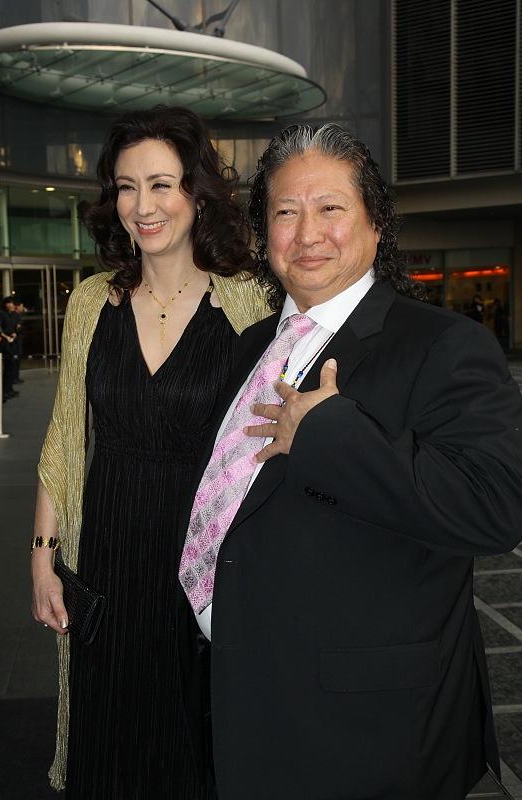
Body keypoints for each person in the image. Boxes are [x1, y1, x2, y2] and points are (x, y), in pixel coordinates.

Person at [178, 124, 522, 800]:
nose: (307, 232)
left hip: (369, 731)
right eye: (285, 211)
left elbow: (496, 508)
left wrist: (333, 434)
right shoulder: (250, 348)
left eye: (330, 207)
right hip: (244, 695)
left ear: (376, 223)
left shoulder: (446, 345)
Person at [31, 105, 272, 799]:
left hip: (204, 560)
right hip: (104, 551)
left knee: (194, 736)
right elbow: (65, 438)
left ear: (197, 192)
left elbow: (271, 441)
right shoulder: (89, 303)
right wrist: (43, 555)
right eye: (128, 187)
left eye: (162, 184)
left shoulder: (249, 303)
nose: (144, 206)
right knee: (106, 736)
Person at [0, 296, 19, 400]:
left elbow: (14, 327)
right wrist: (6, 337)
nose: (10, 305)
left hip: (12, 342)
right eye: (8, 303)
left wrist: (14, 333)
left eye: (12, 303)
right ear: (5, 304)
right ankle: (4, 391)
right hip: (4, 344)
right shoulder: (1, 314)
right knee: (8, 367)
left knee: (12, 367)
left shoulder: (13, 314)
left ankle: (9, 389)